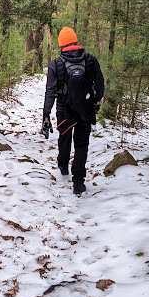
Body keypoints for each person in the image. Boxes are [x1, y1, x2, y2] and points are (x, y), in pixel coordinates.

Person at [42, 27, 104, 195]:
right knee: (82, 144)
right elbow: (100, 85)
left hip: (64, 109)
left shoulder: (56, 64)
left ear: (61, 44)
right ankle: (78, 182)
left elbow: (50, 91)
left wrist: (46, 114)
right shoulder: (90, 60)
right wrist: (97, 101)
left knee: (65, 137)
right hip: (86, 107)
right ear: (76, 41)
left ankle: (63, 166)